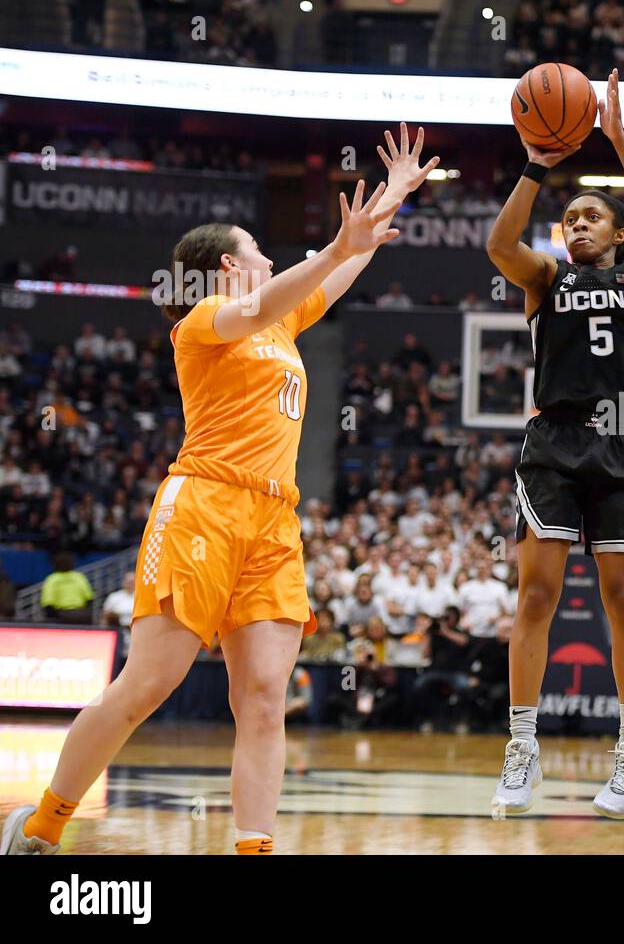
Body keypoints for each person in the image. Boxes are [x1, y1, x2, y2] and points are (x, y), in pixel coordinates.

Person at [2, 123, 438, 856]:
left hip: (275, 521)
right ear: (228, 266)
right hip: (203, 503)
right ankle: (42, 822)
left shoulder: (283, 324)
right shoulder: (204, 321)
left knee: (265, 699)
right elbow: (300, 280)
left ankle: (253, 849)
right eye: (258, 250)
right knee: (146, 686)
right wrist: (335, 246)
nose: (270, 259)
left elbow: (341, 267)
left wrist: (391, 197)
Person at [486, 68, 624, 818]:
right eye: (572, 219)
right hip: (554, 442)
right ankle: (521, 748)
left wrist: (619, 142)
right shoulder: (545, 279)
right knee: (536, 594)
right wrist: (536, 164)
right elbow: (500, 243)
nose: (580, 224)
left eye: (594, 216)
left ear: (617, 233)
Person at [39, 552, 94, 623]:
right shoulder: (79, 577)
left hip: (61, 616)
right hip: (81, 615)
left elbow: (47, 603)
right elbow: (89, 598)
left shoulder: (52, 579)